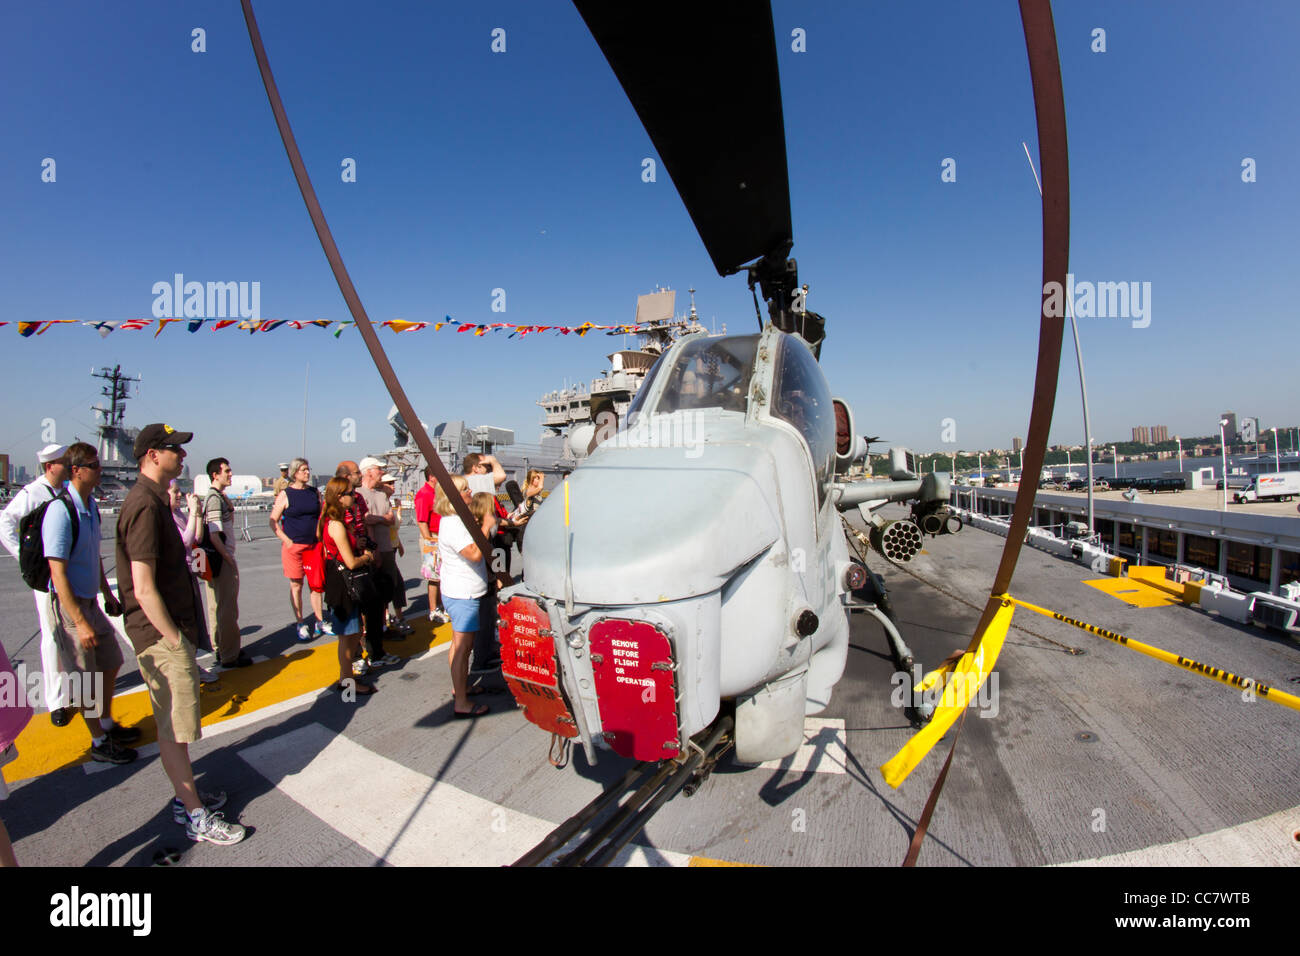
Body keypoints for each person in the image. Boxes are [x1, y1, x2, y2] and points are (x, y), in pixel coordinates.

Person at [117, 423, 244, 845]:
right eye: (174, 449)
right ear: (152, 454)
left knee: (181, 724)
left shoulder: (155, 500)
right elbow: (142, 585)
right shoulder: (144, 505)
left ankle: (184, 796)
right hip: (161, 634)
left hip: (170, 629)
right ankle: (193, 815)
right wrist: (173, 638)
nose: (183, 455)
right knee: (174, 727)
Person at [42, 442, 140, 764]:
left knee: (111, 661)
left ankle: (107, 723)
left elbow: (93, 556)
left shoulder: (90, 506)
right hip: (71, 608)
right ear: (76, 470)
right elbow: (57, 573)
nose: (101, 470)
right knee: (85, 678)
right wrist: (79, 622)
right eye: (95, 465)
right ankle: (98, 743)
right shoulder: (61, 510)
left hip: (91, 603)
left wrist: (106, 594)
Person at [0, 443, 76, 726]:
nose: (68, 466)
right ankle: (56, 701)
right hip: (45, 575)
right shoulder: (33, 493)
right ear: (49, 466)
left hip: (67, 573)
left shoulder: (62, 492)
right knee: (52, 635)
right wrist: (25, 558)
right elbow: (5, 522)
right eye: (62, 462)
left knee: (70, 633)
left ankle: (78, 688)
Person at [437, 479, 497, 718]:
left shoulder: (456, 521)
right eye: (464, 489)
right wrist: (486, 525)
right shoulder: (453, 524)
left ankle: (460, 687)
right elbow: (473, 554)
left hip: (464, 590)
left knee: (461, 644)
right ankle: (461, 702)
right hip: (464, 594)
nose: (470, 491)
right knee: (462, 648)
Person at [319, 477, 381, 695]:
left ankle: (347, 678)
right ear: (339, 497)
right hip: (345, 585)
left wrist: (358, 542)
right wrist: (367, 557)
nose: (354, 496)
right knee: (348, 637)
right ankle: (347, 681)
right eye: (350, 493)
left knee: (351, 634)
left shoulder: (332, 521)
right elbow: (351, 562)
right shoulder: (336, 525)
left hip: (340, 582)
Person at [335, 461, 394, 669]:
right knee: (353, 615)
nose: (359, 475)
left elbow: (365, 524)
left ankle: (376, 651)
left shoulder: (358, 498)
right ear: (345, 476)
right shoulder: (334, 506)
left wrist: (372, 548)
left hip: (365, 557)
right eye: (356, 473)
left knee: (375, 606)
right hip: (347, 565)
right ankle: (356, 657)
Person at [269, 458, 333, 642]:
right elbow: (273, 520)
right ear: (295, 472)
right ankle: (300, 622)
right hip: (294, 547)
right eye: (303, 470)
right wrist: (286, 540)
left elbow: (322, 517)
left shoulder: (314, 493)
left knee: (317, 585)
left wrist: (323, 540)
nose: (307, 473)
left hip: (314, 546)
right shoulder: (286, 494)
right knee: (296, 585)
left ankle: (320, 620)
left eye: (308, 469)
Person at [167, 480, 218, 685]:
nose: (179, 495)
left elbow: (196, 536)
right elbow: (184, 542)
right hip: (178, 574)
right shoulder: (166, 516)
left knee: (192, 621)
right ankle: (186, 668)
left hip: (189, 571)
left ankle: (191, 664)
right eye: (175, 492)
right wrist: (192, 514)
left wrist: (195, 514)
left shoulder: (178, 513)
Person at [203, 458, 249, 669]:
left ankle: (221, 647)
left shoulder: (218, 497)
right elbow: (214, 535)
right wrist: (228, 559)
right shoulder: (214, 499)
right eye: (227, 471)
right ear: (215, 474)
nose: (230, 474)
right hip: (222, 560)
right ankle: (230, 654)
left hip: (216, 561)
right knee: (227, 610)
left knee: (217, 606)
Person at [357, 458, 412, 637]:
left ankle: (382, 627)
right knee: (370, 593)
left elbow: (390, 520)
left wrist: (378, 519)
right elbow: (366, 520)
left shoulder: (381, 495)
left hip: (387, 549)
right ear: (369, 471)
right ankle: (369, 632)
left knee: (386, 589)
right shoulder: (359, 493)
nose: (382, 472)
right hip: (371, 551)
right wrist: (382, 519)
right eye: (379, 469)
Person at [414, 464, 450, 626]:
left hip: (440, 536)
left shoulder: (436, 492)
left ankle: (443, 605)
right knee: (434, 576)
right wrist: (430, 542)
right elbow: (422, 521)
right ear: (432, 477)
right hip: (432, 538)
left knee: (443, 574)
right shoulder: (424, 495)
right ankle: (433, 609)